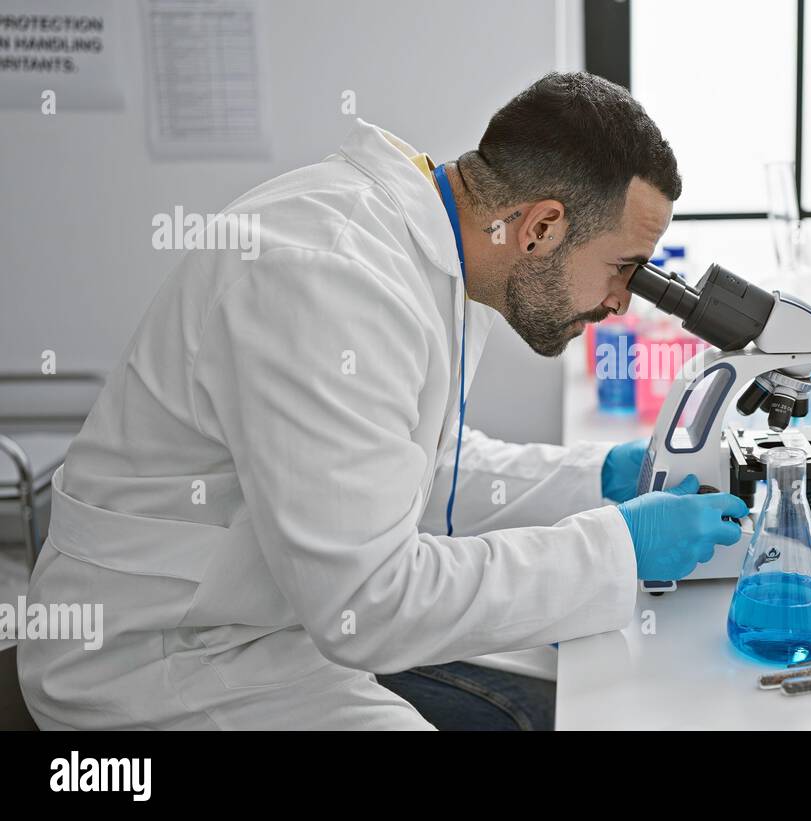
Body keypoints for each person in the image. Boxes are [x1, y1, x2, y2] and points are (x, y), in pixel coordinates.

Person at [19, 72, 748, 730]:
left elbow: (412, 473)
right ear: (542, 226)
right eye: (623, 269)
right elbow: (369, 602)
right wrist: (620, 545)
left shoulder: (432, 247)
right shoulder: (328, 277)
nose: (622, 302)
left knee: (559, 700)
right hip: (165, 662)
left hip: (274, 616)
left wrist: (596, 478)